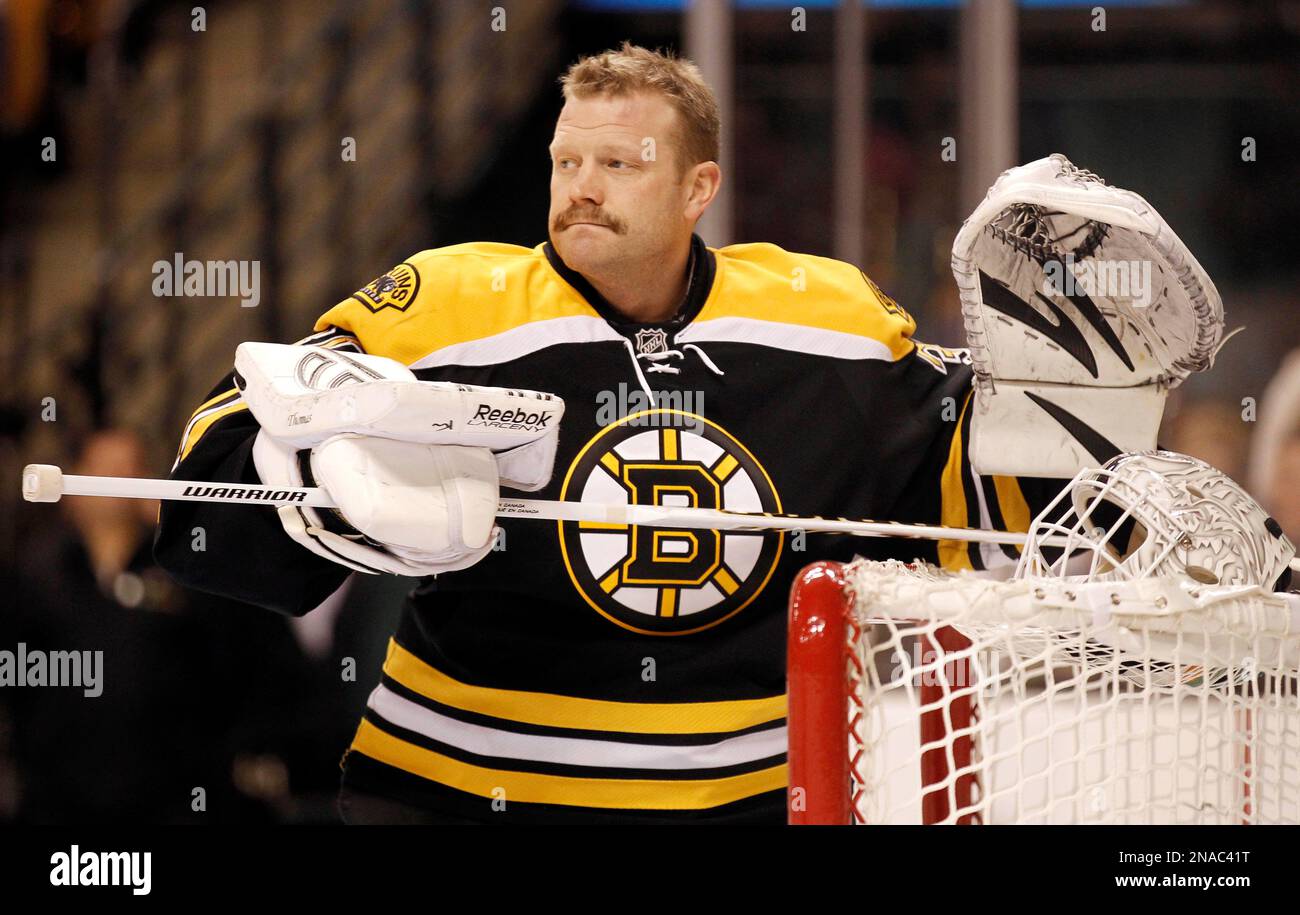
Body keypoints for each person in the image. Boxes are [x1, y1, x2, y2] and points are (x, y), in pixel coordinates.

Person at [154, 44, 1069, 824]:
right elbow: (215, 465)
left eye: (619, 166)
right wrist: (322, 483)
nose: (580, 191)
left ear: (698, 186)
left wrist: (1070, 393)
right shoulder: (446, 305)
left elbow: (990, 508)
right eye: (564, 164)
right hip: (457, 794)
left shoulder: (826, 320)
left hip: (743, 803)